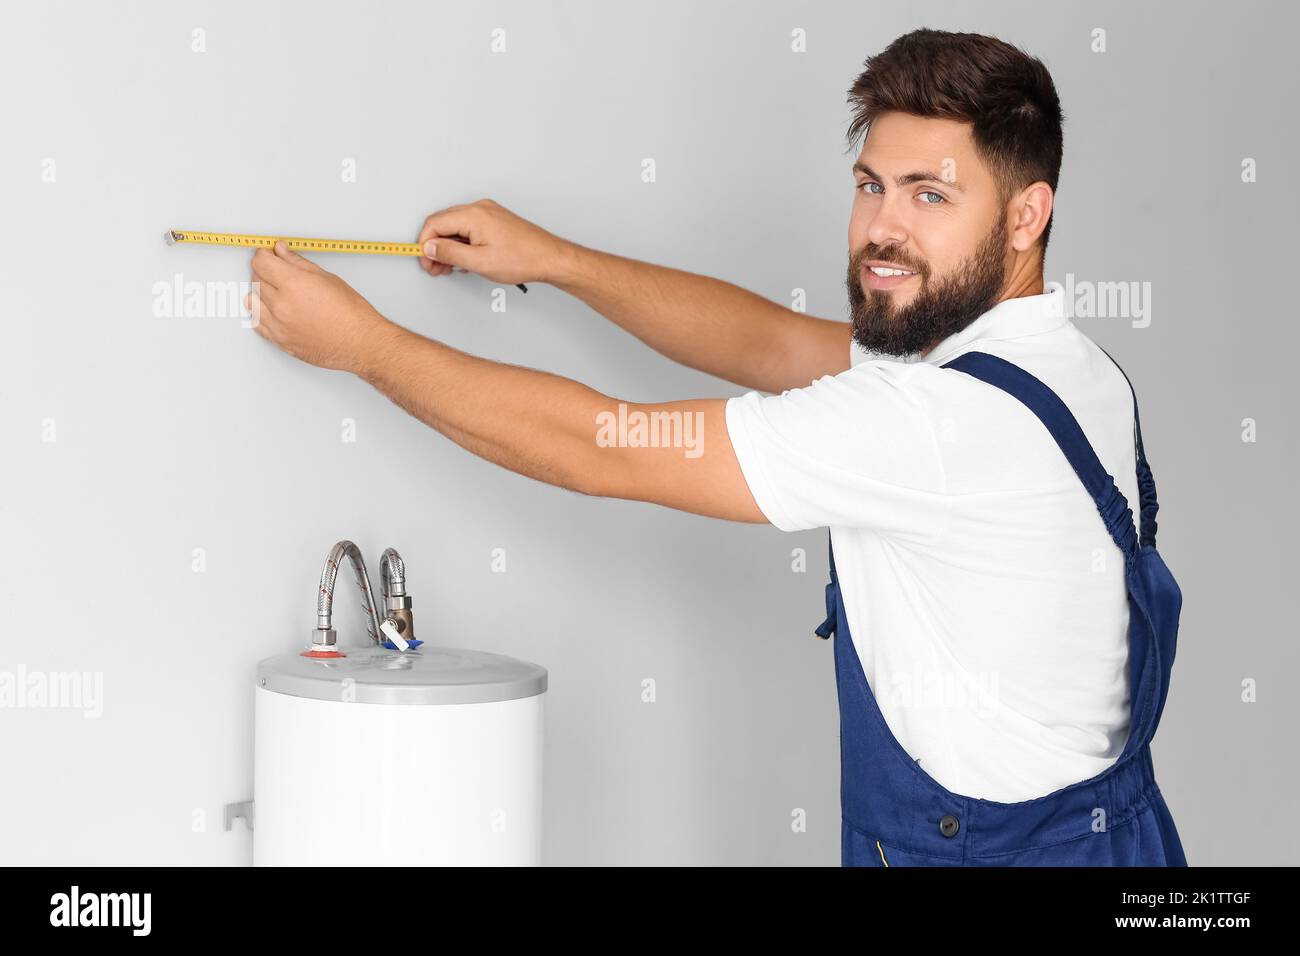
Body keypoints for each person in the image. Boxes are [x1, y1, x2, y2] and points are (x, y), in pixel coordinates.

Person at [245, 28, 1187, 866]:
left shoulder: (933, 422)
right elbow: (773, 345)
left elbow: (602, 447)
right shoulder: (1058, 365)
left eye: (929, 195)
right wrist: (558, 262)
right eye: (871, 185)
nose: (881, 230)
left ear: (1026, 215)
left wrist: (363, 347)